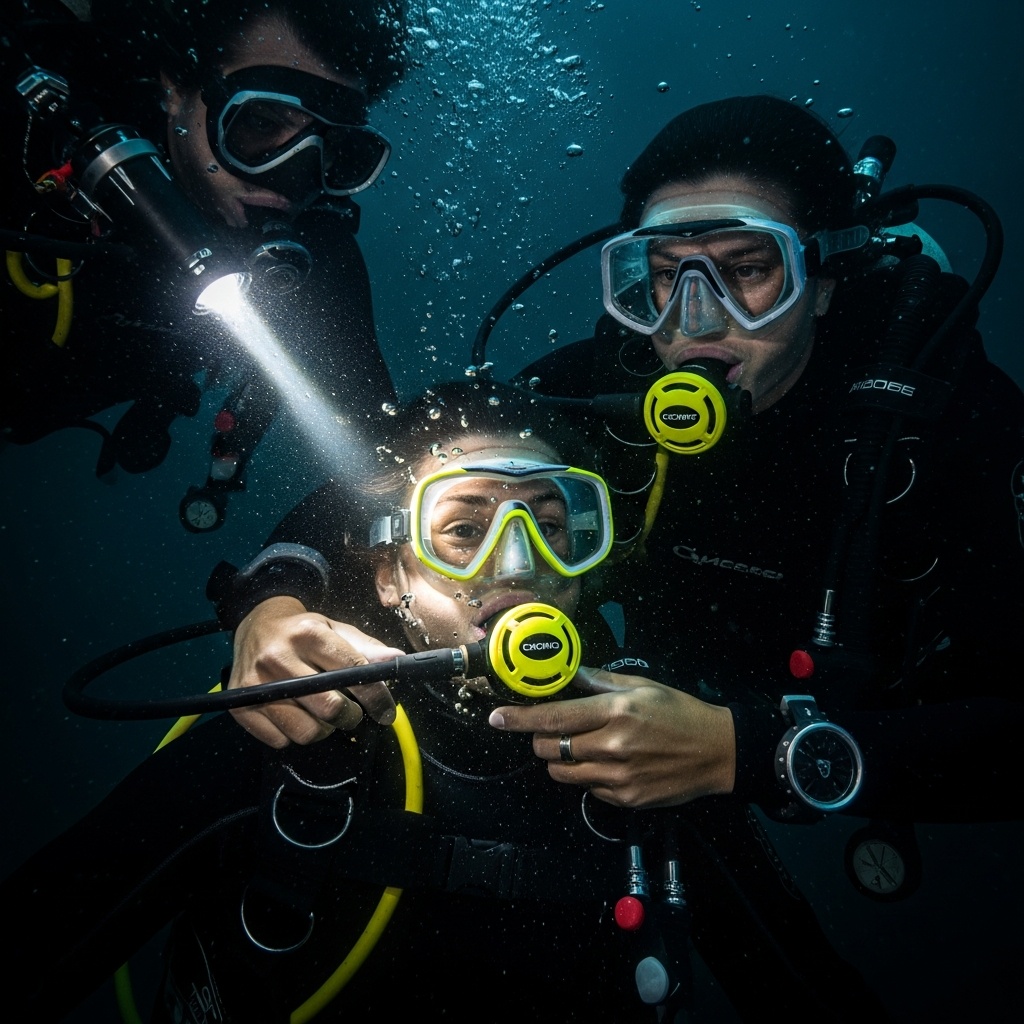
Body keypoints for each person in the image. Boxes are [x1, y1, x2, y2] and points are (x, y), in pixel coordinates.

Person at [212, 95, 1022, 1018]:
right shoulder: (597, 396)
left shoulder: (949, 431)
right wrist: (270, 605)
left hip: (820, 733)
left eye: (748, 270)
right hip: (648, 728)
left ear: (826, 276)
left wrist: (745, 751)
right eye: (662, 276)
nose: (693, 318)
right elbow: (395, 494)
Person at [2, 382, 685, 1022]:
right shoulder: (299, 736)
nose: (517, 564)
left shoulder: (655, 756)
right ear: (390, 576)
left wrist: (739, 750)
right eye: (464, 531)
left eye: (550, 525)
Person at [1, 1, 404, 521]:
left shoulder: (313, 258)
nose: (293, 177)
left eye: (334, 150)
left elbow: (385, 445)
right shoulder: (26, 153)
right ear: (174, 89)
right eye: (259, 122)